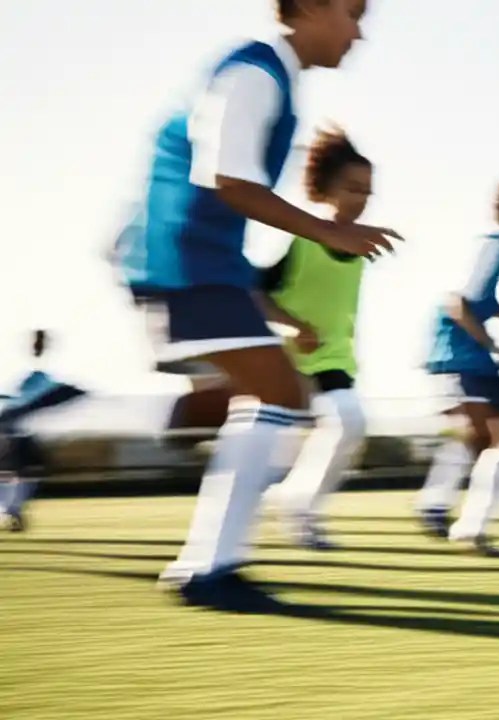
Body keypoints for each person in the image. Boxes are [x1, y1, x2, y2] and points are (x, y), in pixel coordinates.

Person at [112, 0, 398, 604]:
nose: (360, 31)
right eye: (352, 13)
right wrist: (329, 231)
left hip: (203, 262)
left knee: (272, 391)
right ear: (311, 8)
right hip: (187, 259)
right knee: (277, 391)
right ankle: (208, 567)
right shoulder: (253, 73)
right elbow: (229, 180)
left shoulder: (275, 79)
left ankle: (210, 561)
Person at [414, 171, 499, 555]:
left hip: (474, 354)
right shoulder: (490, 248)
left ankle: (434, 507)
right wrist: (491, 345)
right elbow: (457, 303)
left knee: (479, 438)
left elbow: (493, 303)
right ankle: (464, 526)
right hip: (457, 352)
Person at [258, 128, 374, 550]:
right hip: (286, 358)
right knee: (268, 445)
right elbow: (253, 291)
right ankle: (273, 502)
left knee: (350, 423)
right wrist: (291, 325)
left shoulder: (362, 244)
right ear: (324, 187)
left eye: (367, 191)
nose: (361, 198)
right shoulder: (296, 236)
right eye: (353, 188)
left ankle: (298, 505)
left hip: (333, 358)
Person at [0, 331, 87, 531]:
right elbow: (30, 397)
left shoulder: (35, 370)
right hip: (16, 426)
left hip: (15, 425)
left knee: (21, 470)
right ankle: (10, 511)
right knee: (25, 470)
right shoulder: (34, 370)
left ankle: (10, 511)